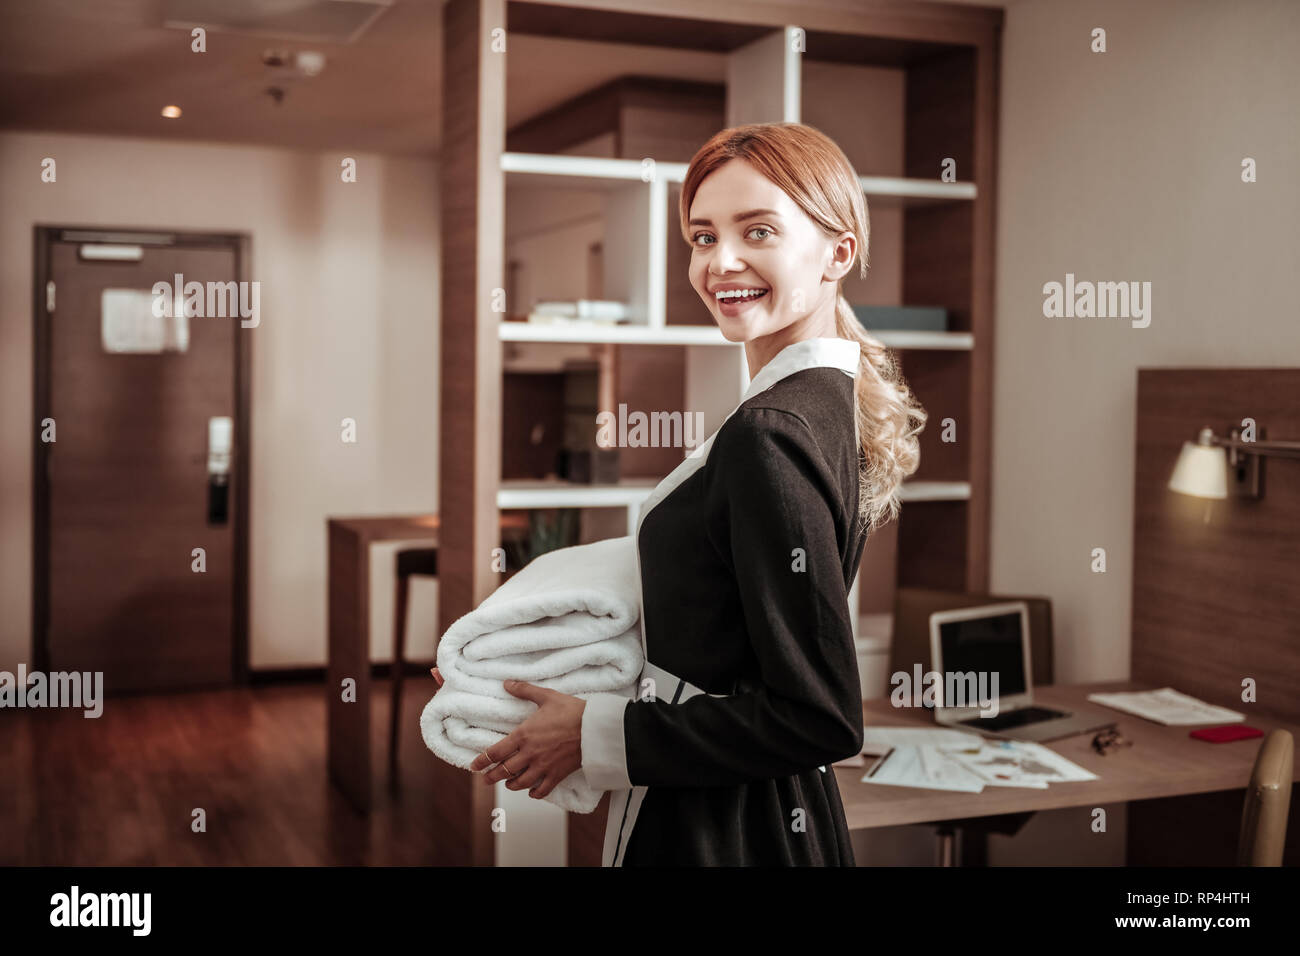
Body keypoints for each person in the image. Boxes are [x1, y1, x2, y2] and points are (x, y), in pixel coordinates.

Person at [453, 122, 926, 865]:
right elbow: (733, 623)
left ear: (840, 250)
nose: (721, 261)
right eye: (703, 237)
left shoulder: (771, 433)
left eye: (758, 230)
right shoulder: (825, 401)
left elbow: (819, 717)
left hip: (729, 827)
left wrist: (594, 734)